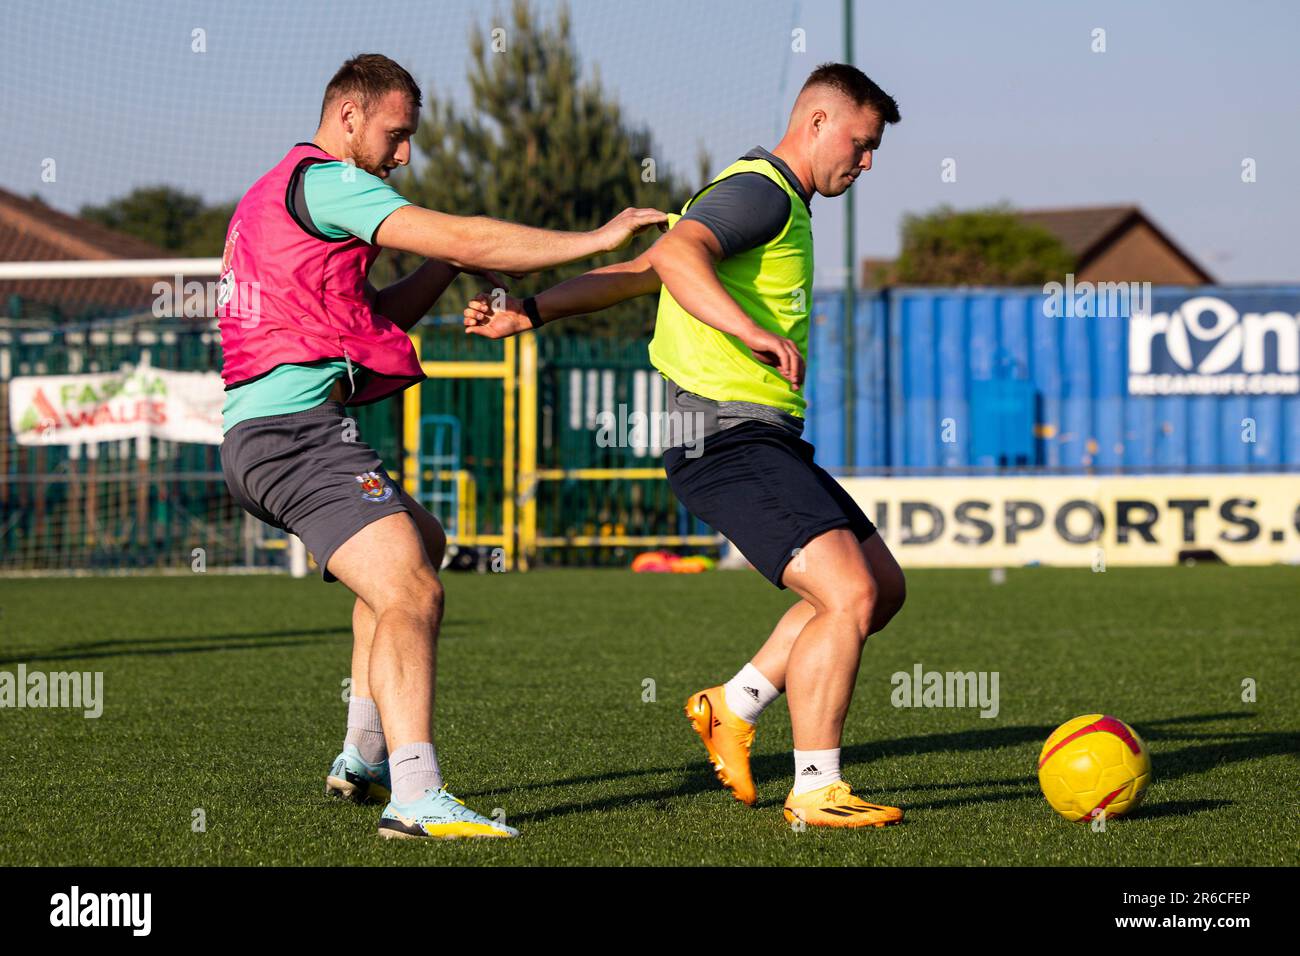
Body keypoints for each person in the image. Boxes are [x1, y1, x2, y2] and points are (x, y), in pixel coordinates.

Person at [216, 53, 665, 840]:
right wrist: (597, 237)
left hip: (271, 436)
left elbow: (375, 314)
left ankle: (362, 754)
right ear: (348, 116)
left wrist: (443, 265)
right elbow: (466, 231)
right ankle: (416, 796)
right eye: (396, 135)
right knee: (414, 591)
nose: (403, 155)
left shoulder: (277, 192)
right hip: (293, 438)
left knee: (419, 541)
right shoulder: (326, 181)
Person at [462, 63, 906, 828]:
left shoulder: (778, 202)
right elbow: (673, 257)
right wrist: (750, 330)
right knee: (850, 595)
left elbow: (638, 273)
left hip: (761, 437)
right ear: (819, 121)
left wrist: (527, 312)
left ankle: (731, 707)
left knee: (877, 587)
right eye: (861, 145)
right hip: (723, 438)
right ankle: (816, 789)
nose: (865, 164)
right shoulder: (760, 189)